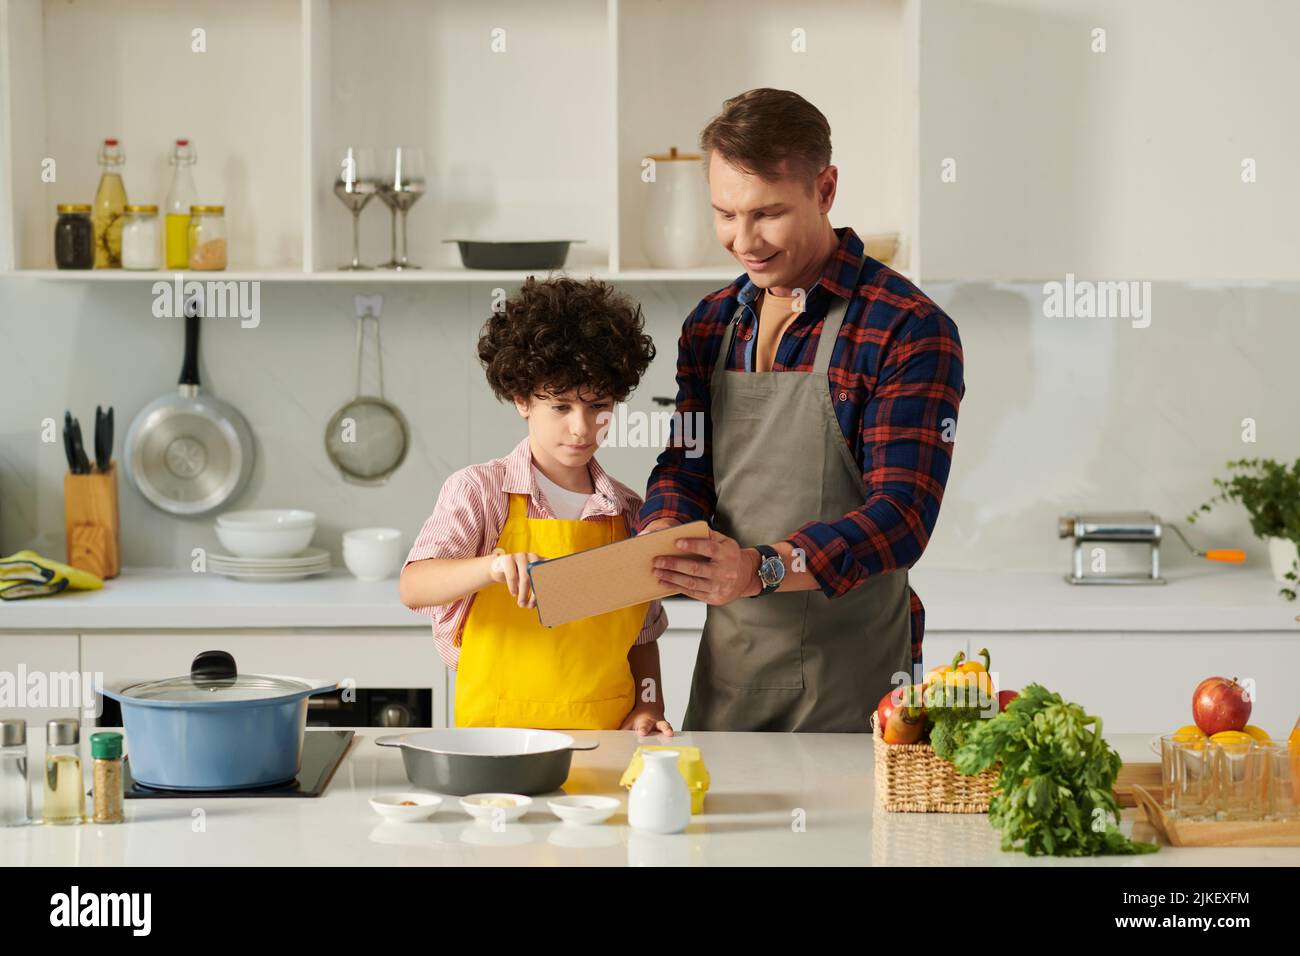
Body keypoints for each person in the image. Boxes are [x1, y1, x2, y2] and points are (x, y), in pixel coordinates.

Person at [641, 88, 966, 733]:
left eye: (767, 214)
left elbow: (901, 518)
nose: (743, 241)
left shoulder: (906, 326)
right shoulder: (710, 324)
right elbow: (688, 463)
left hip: (857, 681)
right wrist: (666, 528)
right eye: (725, 214)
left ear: (825, 189)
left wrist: (758, 567)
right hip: (733, 670)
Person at [401, 276, 674, 735]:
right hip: (495, 739)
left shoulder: (628, 510)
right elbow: (414, 586)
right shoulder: (481, 492)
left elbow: (642, 636)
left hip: (603, 738)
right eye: (561, 407)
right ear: (522, 399)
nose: (582, 428)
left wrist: (650, 705)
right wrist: (490, 568)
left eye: (598, 406)